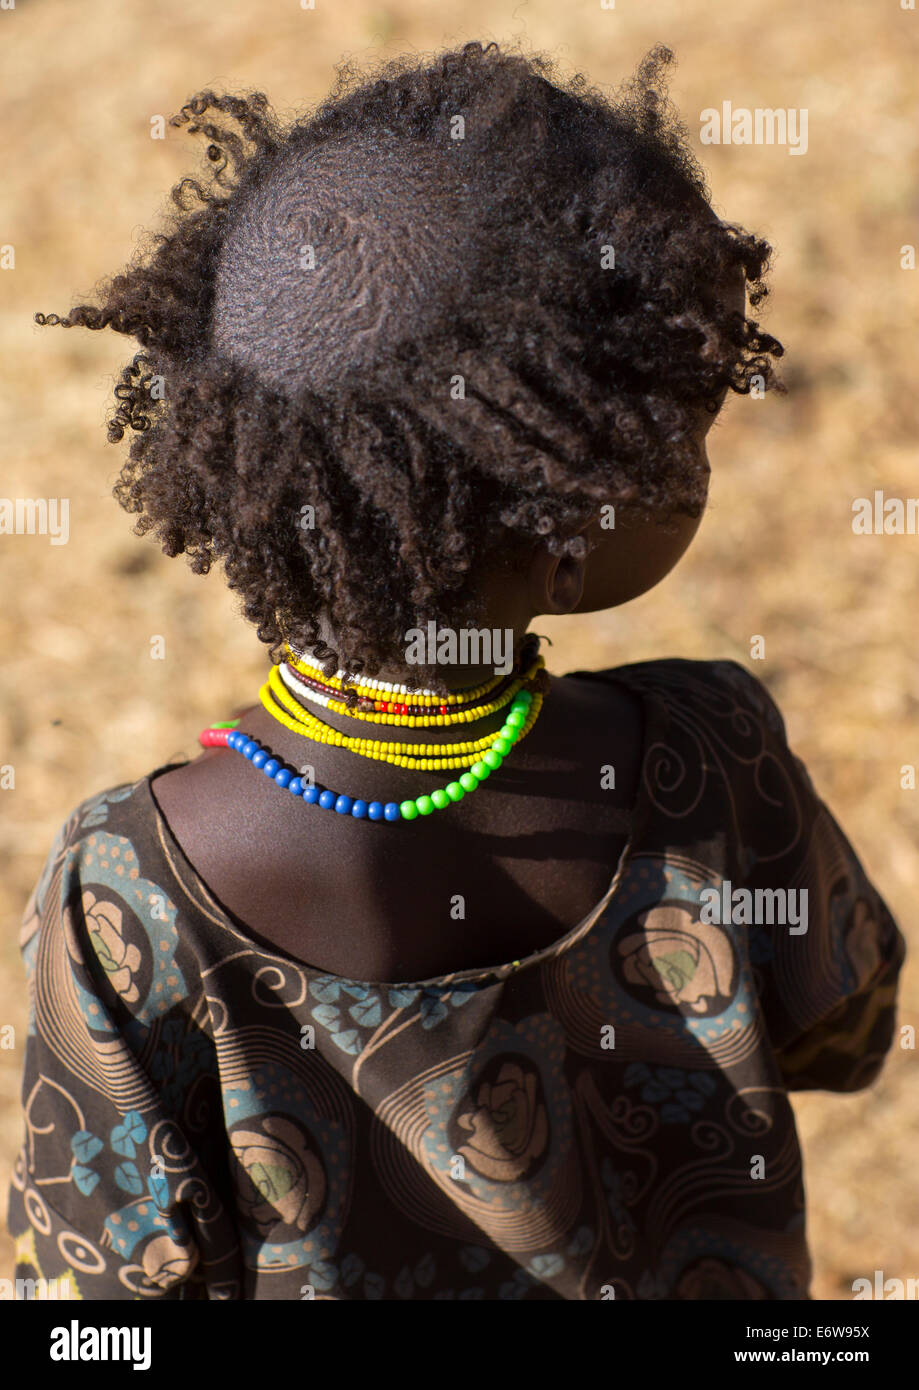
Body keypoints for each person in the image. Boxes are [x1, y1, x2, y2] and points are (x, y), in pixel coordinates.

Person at [7, 41, 904, 1301]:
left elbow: (106, 1300)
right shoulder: (710, 752)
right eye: (674, 420)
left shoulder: (131, 884)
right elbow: (848, 1030)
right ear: (567, 536)